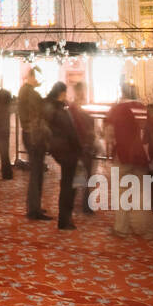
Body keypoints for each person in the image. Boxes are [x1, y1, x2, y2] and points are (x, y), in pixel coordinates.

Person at [105, 82, 153, 237]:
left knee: (122, 192)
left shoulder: (117, 109)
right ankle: (144, 229)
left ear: (122, 92)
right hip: (142, 155)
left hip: (123, 155)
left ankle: (122, 228)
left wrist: (111, 148)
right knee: (141, 192)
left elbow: (109, 134)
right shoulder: (145, 109)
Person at [43, 82, 81, 230]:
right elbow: (70, 132)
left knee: (66, 184)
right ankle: (65, 219)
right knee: (68, 186)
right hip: (67, 150)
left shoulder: (49, 107)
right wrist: (79, 148)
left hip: (58, 149)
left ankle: (64, 218)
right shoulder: (60, 110)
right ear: (62, 93)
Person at [19, 68, 50, 221]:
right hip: (33, 135)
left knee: (36, 172)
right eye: (37, 77)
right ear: (31, 76)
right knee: (36, 172)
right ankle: (33, 209)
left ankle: (35, 206)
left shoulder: (26, 91)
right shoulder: (29, 93)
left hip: (31, 134)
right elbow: (38, 112)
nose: (39, 81)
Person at [69, 81, 98, 216]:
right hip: (81, 144)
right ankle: (83, 204)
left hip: (84, 144)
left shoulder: (78, 107)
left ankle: (82, 203)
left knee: (82, 174)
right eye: (80, 91)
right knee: (82, 174)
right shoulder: (74, 108)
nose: (82, 93)